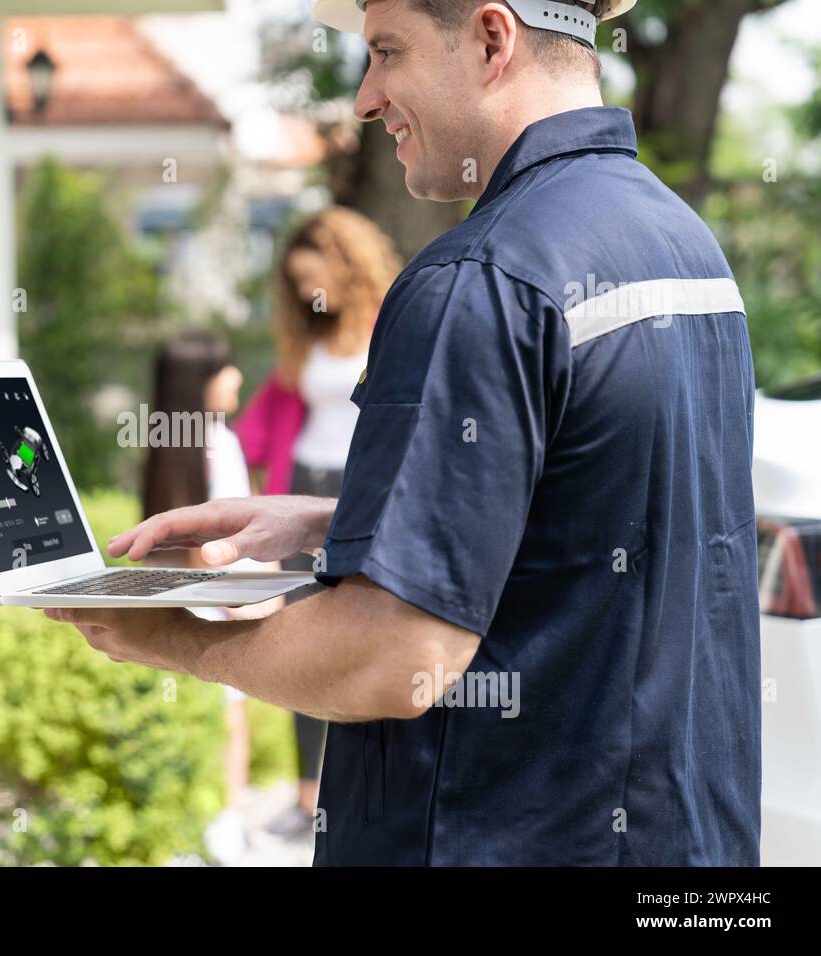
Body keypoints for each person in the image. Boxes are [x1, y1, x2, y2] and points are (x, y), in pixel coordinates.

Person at [47, 0, 760, 866]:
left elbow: (392, 658)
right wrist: (337, 523)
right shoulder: (687, 252)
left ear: (494, 39)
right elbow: (597, 525)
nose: (365, 98)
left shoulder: (480, 277)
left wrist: (171, 637)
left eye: (387, 51)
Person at [232, 207, 401, 829]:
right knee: (301, 632)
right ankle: (309, 798)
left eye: (314, 277)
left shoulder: (393, 324)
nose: (307, 293)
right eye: (297, 283)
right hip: (303, 487)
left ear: (345, 264)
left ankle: (376, 794)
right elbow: (253, 431)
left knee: (371, 632)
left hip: (364, 495)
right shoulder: (305, 341)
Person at [141, 331, 281, 864]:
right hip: (218, 600)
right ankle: (224, 831)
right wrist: (252, 605)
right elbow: (211, 548)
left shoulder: (169, 442)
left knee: (194, 727)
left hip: (183, 602)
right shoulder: (218, 442)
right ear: (201, 381)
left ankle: (199, 834)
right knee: (229, 724)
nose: (238, 378)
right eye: (227, 369)